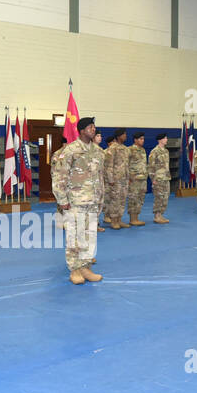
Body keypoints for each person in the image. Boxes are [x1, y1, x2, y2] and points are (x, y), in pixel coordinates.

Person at [53, 117, 103, 285]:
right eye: (90, 127)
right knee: (75, 235)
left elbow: (100, 177)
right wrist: (62, 200)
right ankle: (75, 269)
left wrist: (101, 199)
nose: (93, 130)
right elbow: (59, 176)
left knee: (90, 235)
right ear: (81, 130)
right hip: (75, 201)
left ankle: (86, 267)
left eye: (94, 127)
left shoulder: (98, 151)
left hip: (93, 201)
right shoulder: (70, 151)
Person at [103, 129, 129, 228]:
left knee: (122, 200)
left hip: (124, 180)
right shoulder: (112, 148)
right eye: (124, 134)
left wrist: (128, 177)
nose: (126, 136)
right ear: (119, 136)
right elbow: (108, 165)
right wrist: (110, 179)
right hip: (115, 180)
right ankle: (114, 221)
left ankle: (119, 220)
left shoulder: (125, 149)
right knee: (115, 201)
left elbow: (126, 165)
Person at [125, 132, 148, 226]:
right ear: (135, 140)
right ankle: (132, 219)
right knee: (133, 199)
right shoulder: (129, 150)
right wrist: (129, 177)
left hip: (142, 179)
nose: (142, 140)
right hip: (134, 179)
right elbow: (125, 164)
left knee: (140, 199)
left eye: (143, 139)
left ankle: (136, 218)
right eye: (140, 139)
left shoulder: (143, 150)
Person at [147, 133, 171, 223]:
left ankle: (161, 215)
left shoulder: (166, 151)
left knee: (165, 197)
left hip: (166, 178)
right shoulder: (155, 151)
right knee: (159, 197)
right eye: (165, 138)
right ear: (160, 140)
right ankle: (157, 216)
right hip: (158, 178)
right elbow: (151, 166)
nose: (166, 140)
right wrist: (153, 178)